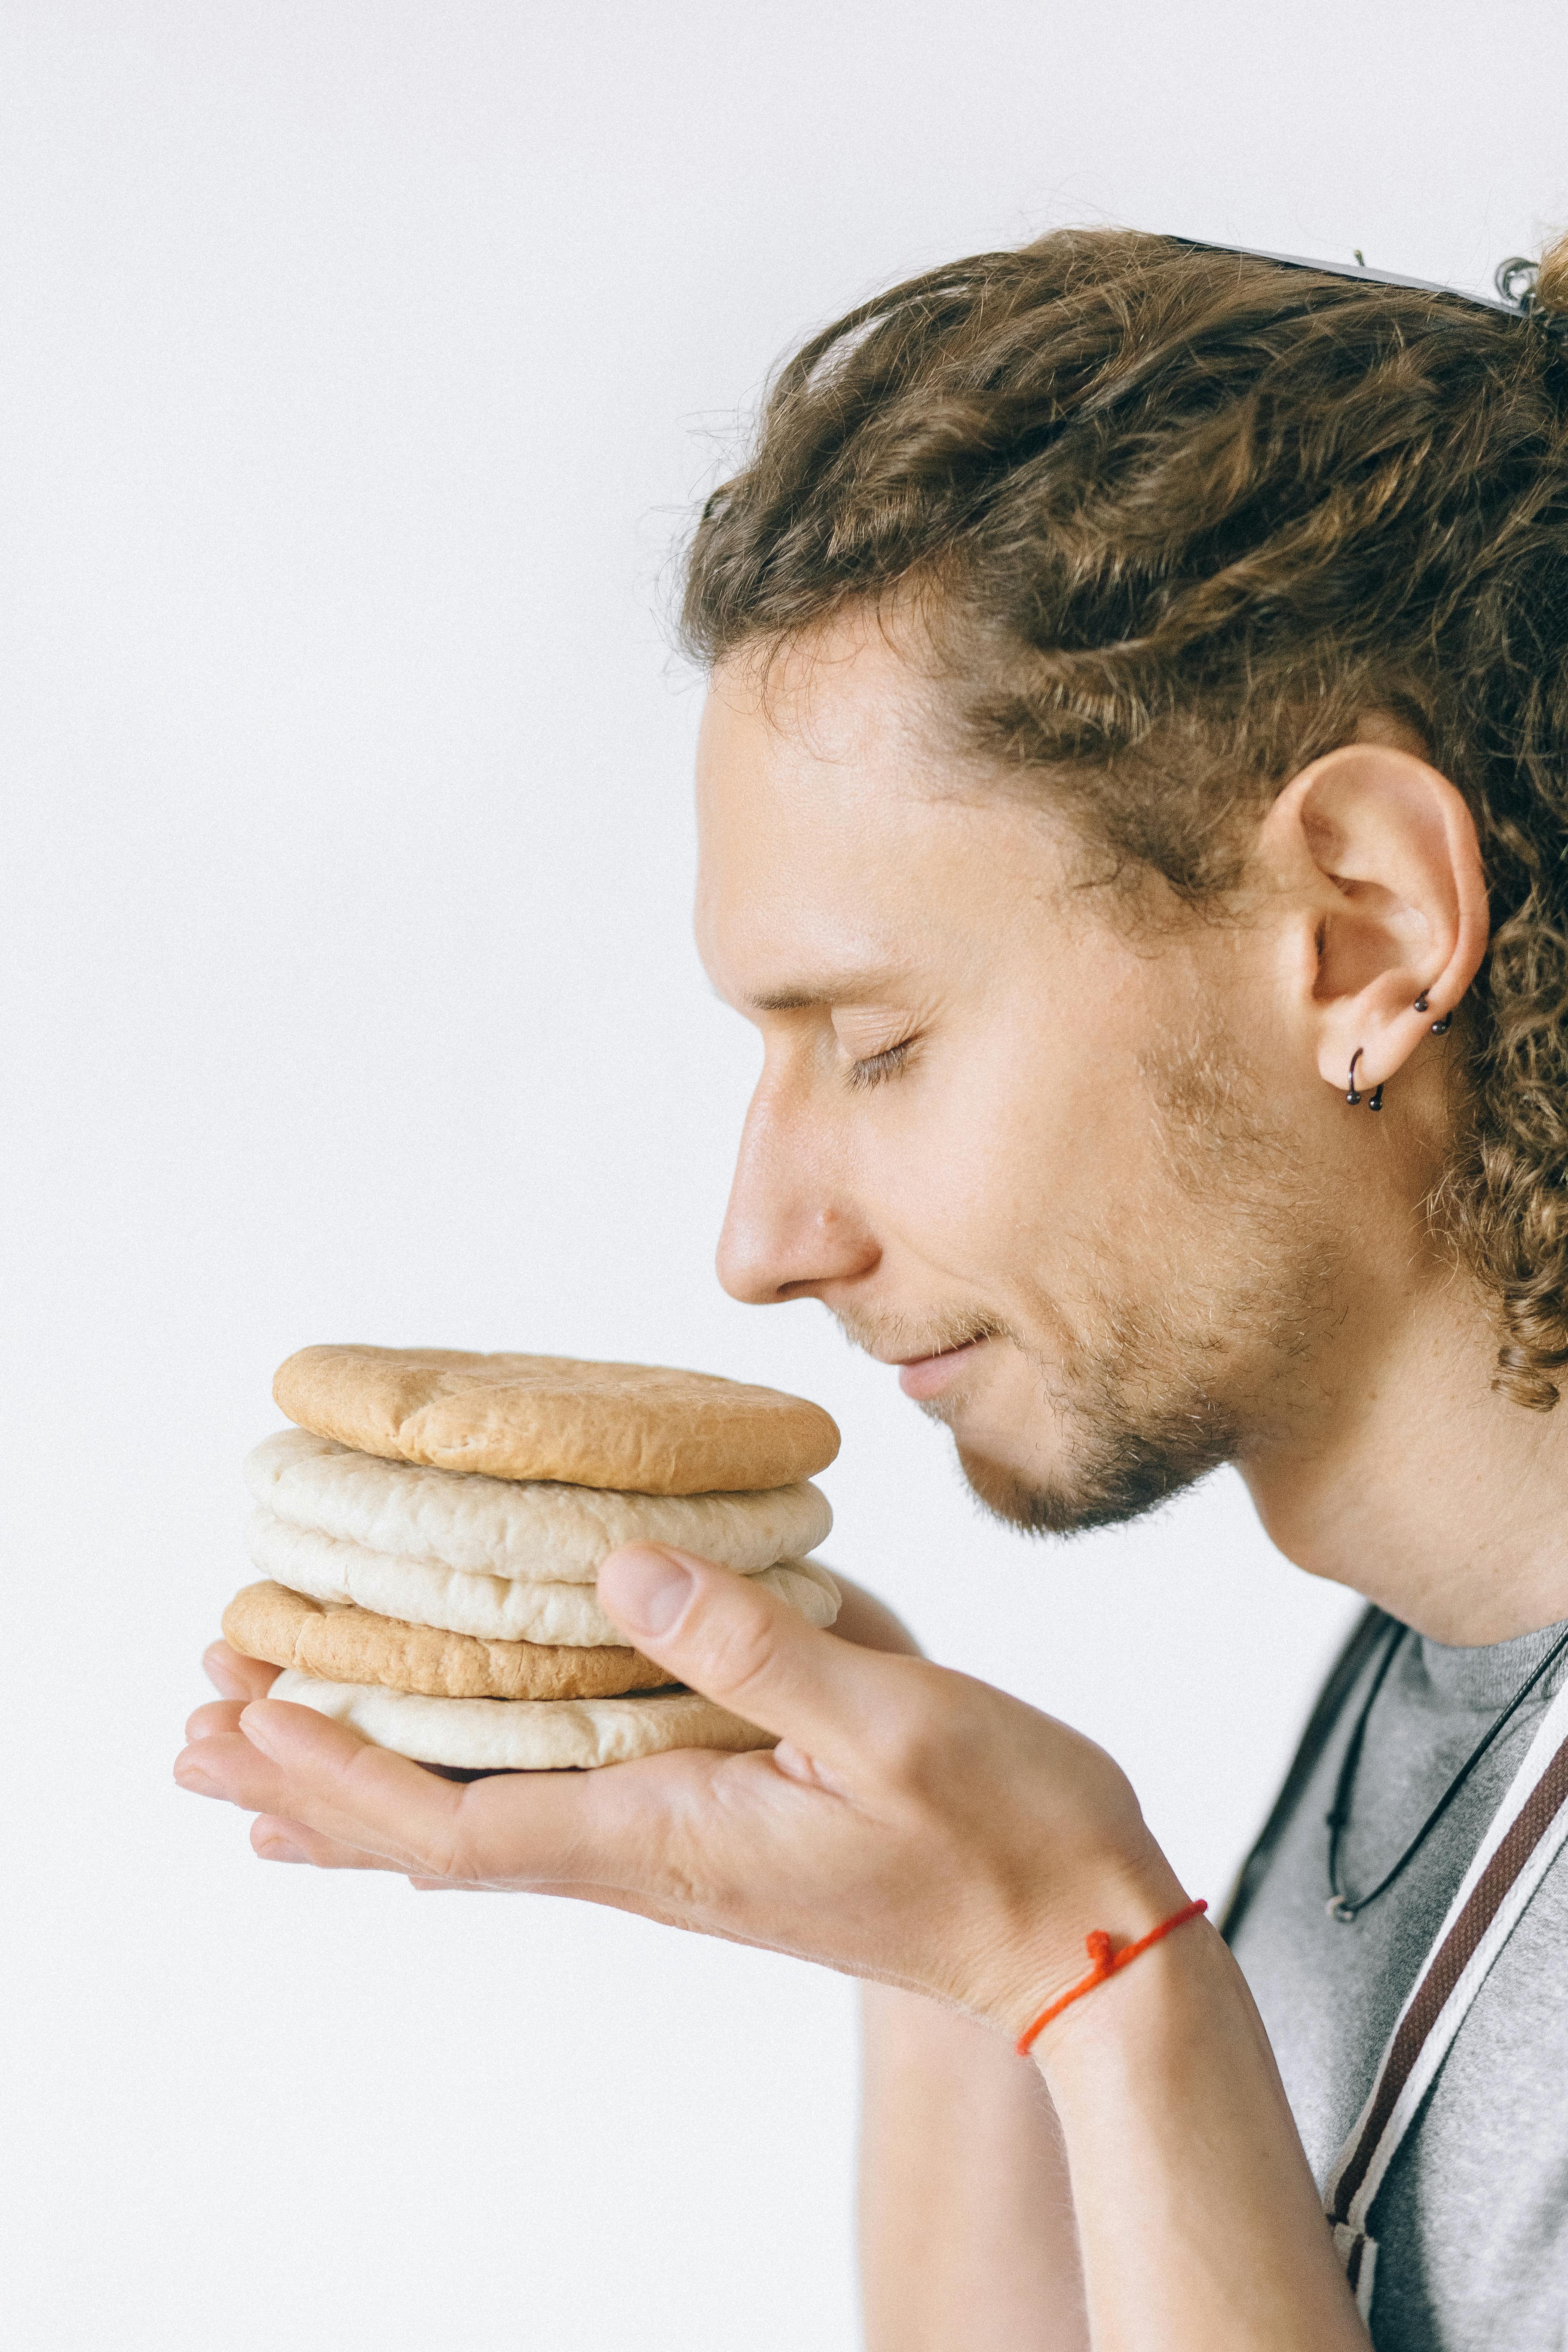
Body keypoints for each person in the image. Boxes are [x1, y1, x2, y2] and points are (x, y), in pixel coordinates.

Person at [177, 228, 1568, 2349]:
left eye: (883, 1044)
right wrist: (940, 1931)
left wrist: (1091, 1962)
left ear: (1361, 935)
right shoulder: (1441, 1676)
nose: (763, 1241)